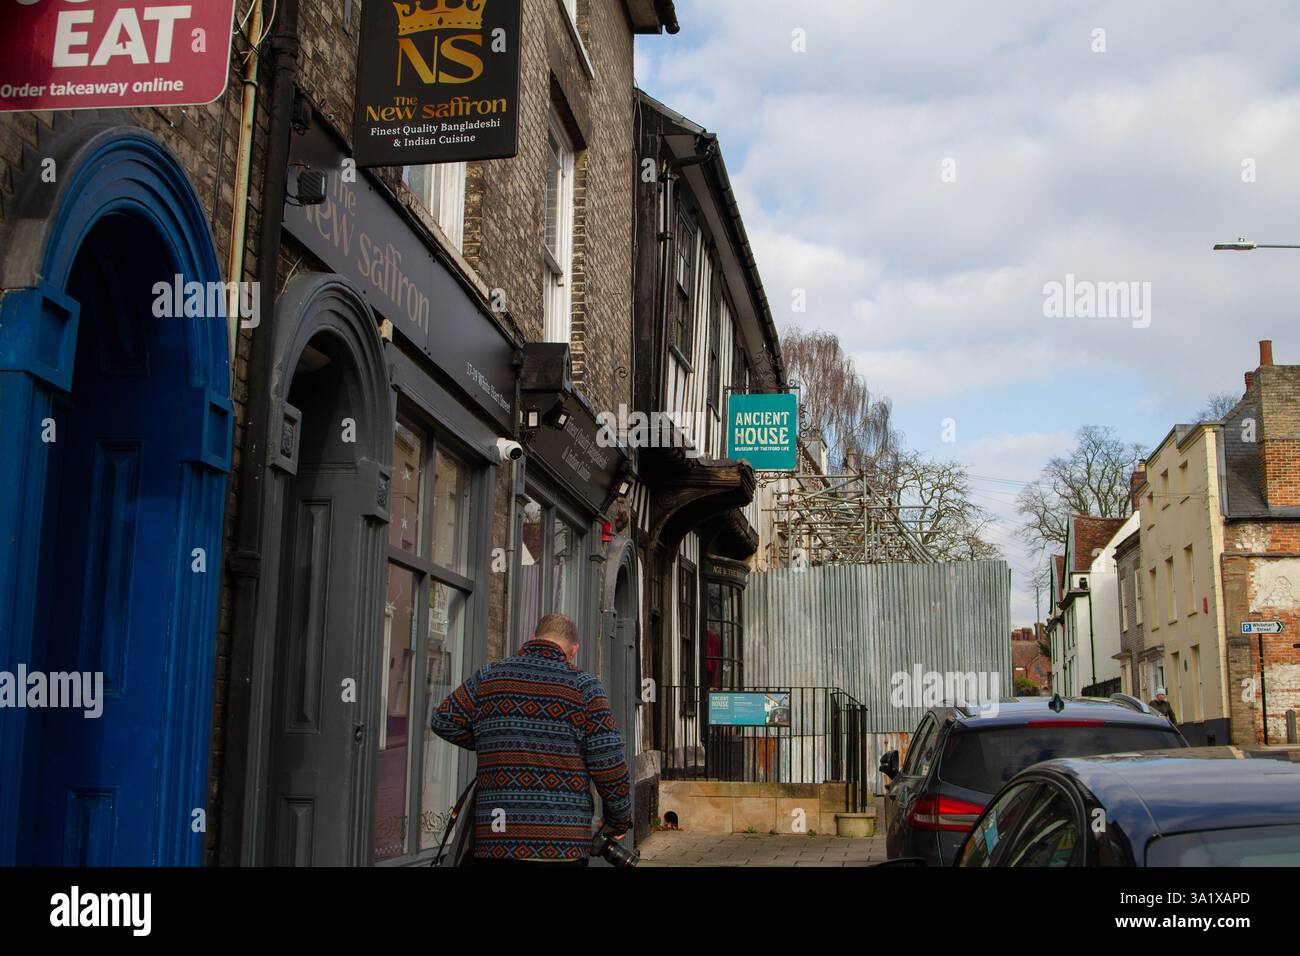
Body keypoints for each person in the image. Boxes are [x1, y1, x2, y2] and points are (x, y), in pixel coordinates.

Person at [430, 612, 632, 866]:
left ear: (533, 638)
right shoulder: (585, 687)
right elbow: (609, 764)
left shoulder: (489, 676)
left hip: (497, 834)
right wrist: (618, 820)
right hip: (563, 839)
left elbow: (443, 720)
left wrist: (492, 740)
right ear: (573, 650)